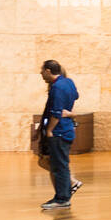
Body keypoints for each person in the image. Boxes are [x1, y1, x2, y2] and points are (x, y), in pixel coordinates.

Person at [38, 60, 79, 211]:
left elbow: (55, 112)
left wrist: (49, 130)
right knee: (59, 165)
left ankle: (62, 198)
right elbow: (76, 96)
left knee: (59, 166)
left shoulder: (57, 87)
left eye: (42, 71)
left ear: (49, 71)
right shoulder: (69, 82)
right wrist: (69, 112)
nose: (41, 73)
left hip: (59, 131)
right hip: (66, 129)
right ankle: (64, 195)